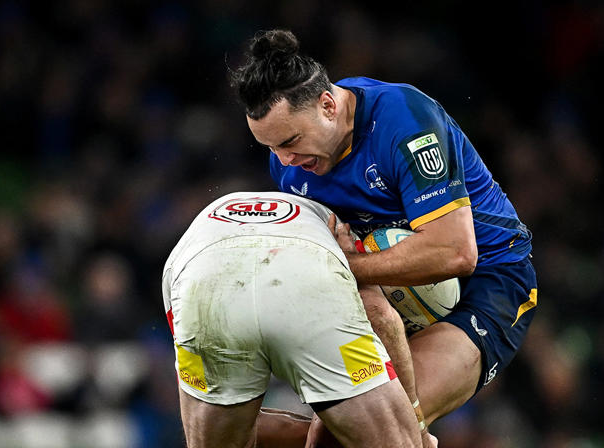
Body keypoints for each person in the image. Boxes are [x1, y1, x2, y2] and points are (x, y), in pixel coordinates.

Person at [230, 29, 538, 440]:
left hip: (489, 282)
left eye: (290, 141)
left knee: (349, 434)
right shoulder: (291, 166)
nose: (285, 160)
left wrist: (348, 269)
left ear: (327, 105)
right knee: (316, 435)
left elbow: (455, 252)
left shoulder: (404, 119)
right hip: (386, 297)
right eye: (270, 148)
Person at [161, 191, 428, 448]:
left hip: (201, 280)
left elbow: (232, 416)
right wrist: (415, 423)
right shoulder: (344, 234)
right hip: (309, 277)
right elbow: (380, 316)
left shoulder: (195, 234)